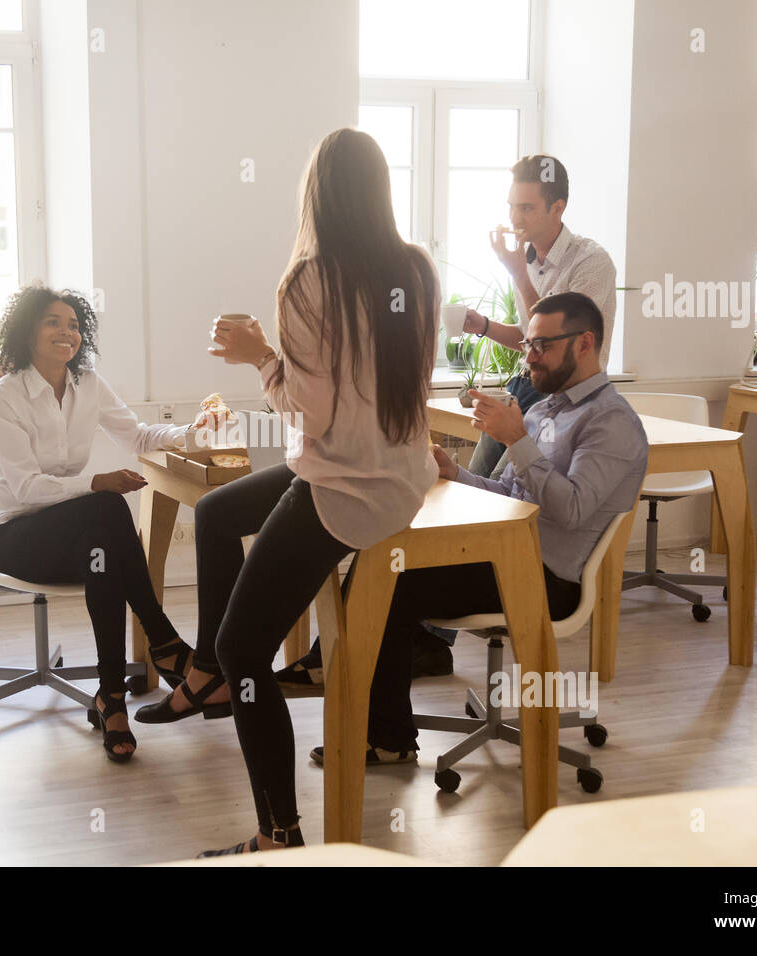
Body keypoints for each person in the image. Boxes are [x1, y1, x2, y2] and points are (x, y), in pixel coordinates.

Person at [134, 128, 440, 856]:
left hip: (342, 486)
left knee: (249, 651)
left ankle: (279, 834)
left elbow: (311, 411)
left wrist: (258, 356)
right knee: (215, 511)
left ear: (317, 195)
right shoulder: (418, 271)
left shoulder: (309, 280)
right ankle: (204, 671)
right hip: (401, 475)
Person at [308, 292, 647, 765]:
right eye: (527, 344)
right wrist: (454, 473)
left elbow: (571, 510)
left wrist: (518, 440)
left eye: (541, 346)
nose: (528, 357)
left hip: (549, 581)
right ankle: (357, 696)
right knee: (382, 554)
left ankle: (383, 733)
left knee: (394, 581)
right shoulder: (543, 410)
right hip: (507, 558)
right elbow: (508, 491)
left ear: (585, 343)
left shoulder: (612, 424)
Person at [0, 285, 212, 764]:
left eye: (74, 325)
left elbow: (140, 434)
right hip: (13, 535)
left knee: (102, 543)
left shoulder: (88, 384)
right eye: (53, 323)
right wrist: (96, 482)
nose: (68, 333)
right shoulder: (5, 396)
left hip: (75, 534)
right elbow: (26, 490)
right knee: (104, 507)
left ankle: (112, 698)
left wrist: (193, 433)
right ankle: (164, 642)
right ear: (27, 332)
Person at [465, 154, 617, 481]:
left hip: (563, 399)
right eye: (512, 206)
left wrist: (519, 274)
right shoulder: (527, 260)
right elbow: (528, 338)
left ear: (558, 208)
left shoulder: (590, 262)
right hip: (523, 388)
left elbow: (556, 343)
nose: (515, 217)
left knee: (502, 493)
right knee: (476, 483)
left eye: (526, 208)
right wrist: (484, 326)